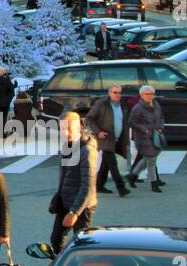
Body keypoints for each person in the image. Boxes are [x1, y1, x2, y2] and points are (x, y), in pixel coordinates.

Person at [51, 112, 99, 252]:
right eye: (62, 129)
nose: (65, 133)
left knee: (82, 243)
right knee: (56, 239)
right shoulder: (68, 145)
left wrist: (74, 212)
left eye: (69, 128)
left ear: (79, 128)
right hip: (66, 201)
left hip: (82, 206)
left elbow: (88, 185)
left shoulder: (87, 151)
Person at [87, 84, 131, 197]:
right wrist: (98, 132)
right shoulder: (102, 104)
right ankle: (121, 188)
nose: (117, 95)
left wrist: (126, 140)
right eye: (115, 92)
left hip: (117, 138)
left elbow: (125, 122)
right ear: (109, 93)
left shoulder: (122, 104)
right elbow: (90, 118)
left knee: (105, 164)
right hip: (105, 137)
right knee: (112, 163)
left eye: (119, 92)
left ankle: (99, 185)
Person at [127, 85, 166, 192]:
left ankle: (133, 175)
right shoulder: (138, 108)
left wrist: (161, 127)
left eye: (151, 94)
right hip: (143, 138)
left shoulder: (156, 104)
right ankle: (154, 183)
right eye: (146, 94)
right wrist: (144, 129)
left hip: (156, 136)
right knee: (151, 160)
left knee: (148, 159)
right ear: (141, 95)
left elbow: (161, 117)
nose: (149, 96)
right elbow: (131, 122)